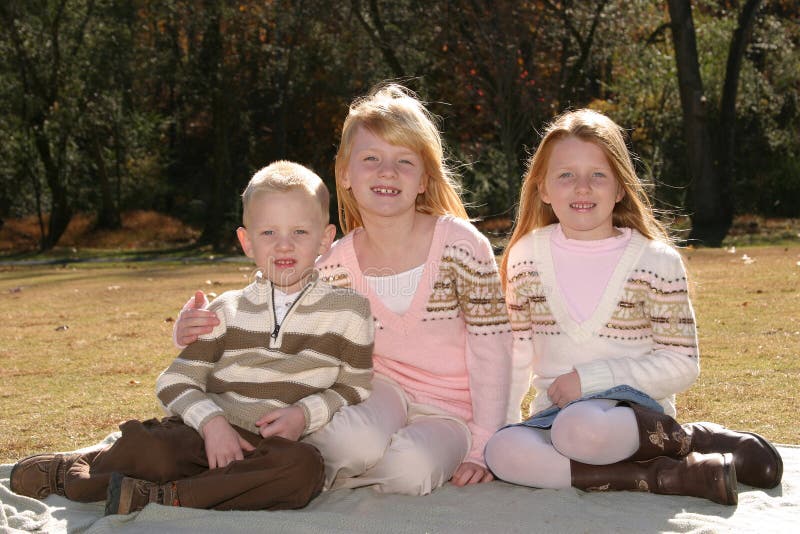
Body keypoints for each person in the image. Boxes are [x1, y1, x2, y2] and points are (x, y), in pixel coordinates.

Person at [174, 83, 514, 495]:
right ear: (346, 175)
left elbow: (493, 347)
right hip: (379, 390)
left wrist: (484, 443)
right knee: (344, 443)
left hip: (453, 408)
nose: (387, 172)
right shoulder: (336, 264)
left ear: (424, 179)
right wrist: (199, 324)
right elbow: (276, 306)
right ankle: (284, 475)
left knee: (410, 470)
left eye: (404, 161)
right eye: (371, 158)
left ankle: (356, 472)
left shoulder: (460, 245)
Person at [10, 161, 375, 515]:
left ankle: (162, 498)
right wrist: (212, 424)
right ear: (246, 242)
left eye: (299, 232)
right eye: (268, 233)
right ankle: (70, 472)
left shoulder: (349, 311)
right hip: (203, 434)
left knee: (304, 471)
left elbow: (355, 385)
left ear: (325, 239)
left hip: (268, 450)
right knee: (155, 451)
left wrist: (304, 414)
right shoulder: (226, 309)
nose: (284, 245)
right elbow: (174, 381)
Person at [483, 109, 783, 505]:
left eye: (598, 175)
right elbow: (516, 355)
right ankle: (665, 475)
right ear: (543, 189)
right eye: (566, 175)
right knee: (501, 451)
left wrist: (590, 380)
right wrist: (505, 424)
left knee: (579, 428)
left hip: (633, 413)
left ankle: (685, 438)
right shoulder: (525, 257)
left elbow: (682, 363)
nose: (582, 188)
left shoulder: (655, 262)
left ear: (620, 188)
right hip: (553, 415)